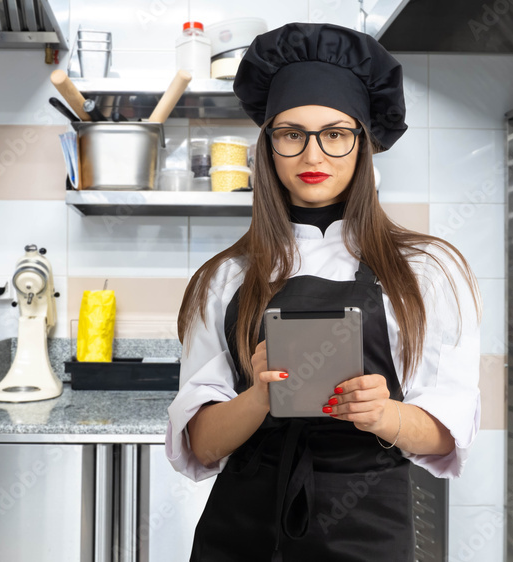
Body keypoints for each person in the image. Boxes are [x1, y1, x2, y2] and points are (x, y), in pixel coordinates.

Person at [165, 22, 483, 562]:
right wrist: (260, 396)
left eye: (334, 133)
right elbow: (200, 443)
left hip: (368, 524)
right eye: (292, 134)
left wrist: (384, 415)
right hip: (242, 530)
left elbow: (446, 433)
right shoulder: (225, 276)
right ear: (268, 146)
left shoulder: (427, 270)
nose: (313, 156)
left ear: (363, 143)